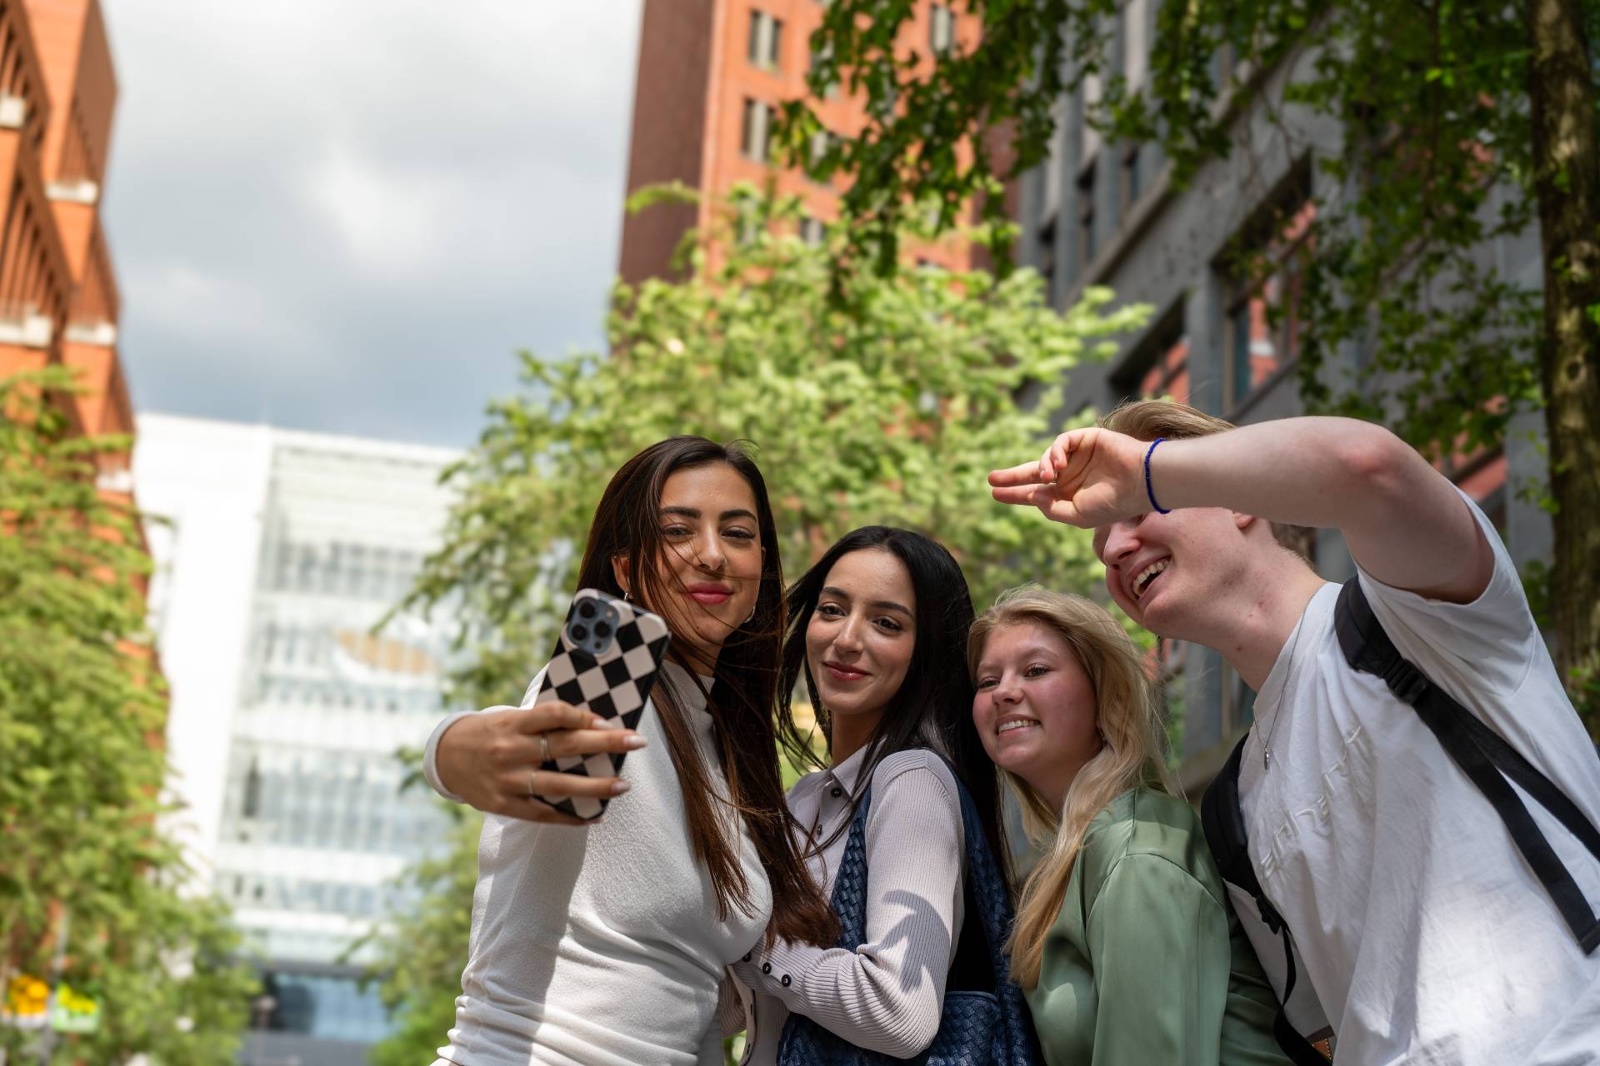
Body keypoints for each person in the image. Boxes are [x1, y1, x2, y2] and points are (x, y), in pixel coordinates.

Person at [988, 400, 1600, 1064]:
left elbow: (1367, 467)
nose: (1112, 548)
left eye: (1135, 512)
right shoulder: (1232, 811)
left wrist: (1148, 469)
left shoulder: (1416, 618)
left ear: (1241, 500)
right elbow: (1327, 1035)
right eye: (1103, 538)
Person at [421, 437, 836, 1066]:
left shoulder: (730, 754)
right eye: (677, 530)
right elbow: (514, 754)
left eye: (739, 533)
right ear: (623, 568)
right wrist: (454, 749)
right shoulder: (609, 676)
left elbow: (690, 1002)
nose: (713, 555)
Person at [728, 526, 1027, 1063]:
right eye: (832, 609)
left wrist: (757, 944)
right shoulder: (807, 800)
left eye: (886, 623)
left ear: (926, 649)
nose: (847, 638)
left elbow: (899, 1012)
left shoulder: (911, 782)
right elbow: (754, 1005)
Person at [967, 586, 1290, 1066]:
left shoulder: (1134, 847)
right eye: (987, 680)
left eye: (1035, 670)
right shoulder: (1077, 853)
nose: (1004, 693)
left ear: (1103, 694)